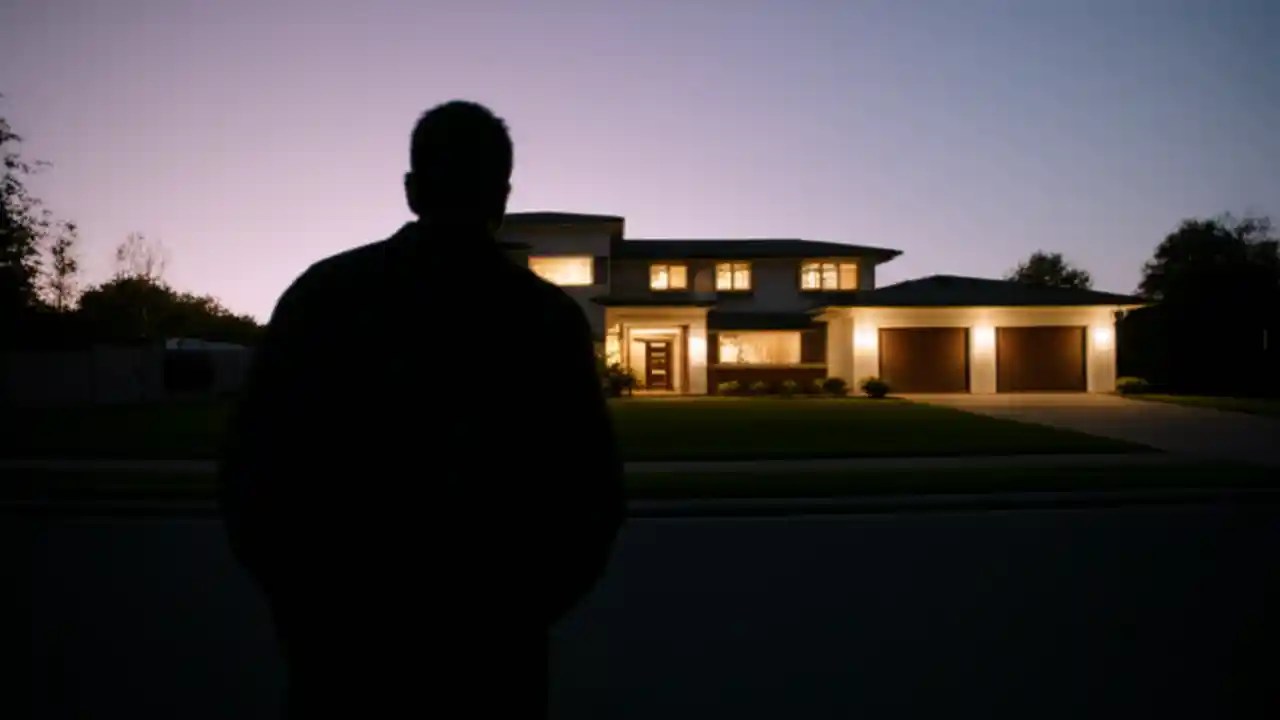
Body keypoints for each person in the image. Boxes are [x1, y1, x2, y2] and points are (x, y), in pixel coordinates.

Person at [218, 101, 625, 718]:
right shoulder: (542, 319)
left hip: (343, 646)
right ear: (502, 197)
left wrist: (305, 606)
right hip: (492, 653)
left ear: (411, 191)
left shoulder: (324, 296)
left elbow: (252, 470)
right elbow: (590, 494)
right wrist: (521, 612)